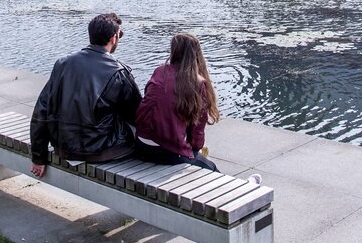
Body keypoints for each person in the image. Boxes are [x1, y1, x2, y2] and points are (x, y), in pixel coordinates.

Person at [30, 13, 141, 178]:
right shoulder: (118, 72)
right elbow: (138, 115)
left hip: (64, 147)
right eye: (119, 35)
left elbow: (41, 112)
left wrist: (38, 157)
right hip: (103, 150)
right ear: (113, 38)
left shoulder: (62, 64)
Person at [134, 33, 221, 171]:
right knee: (211, 169)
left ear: (174, 51)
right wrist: (194, 150)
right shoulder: (197, 82)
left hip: (141, 143)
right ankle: (249, 184)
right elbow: (198, 129)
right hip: (167, 150)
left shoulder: (159, 71)